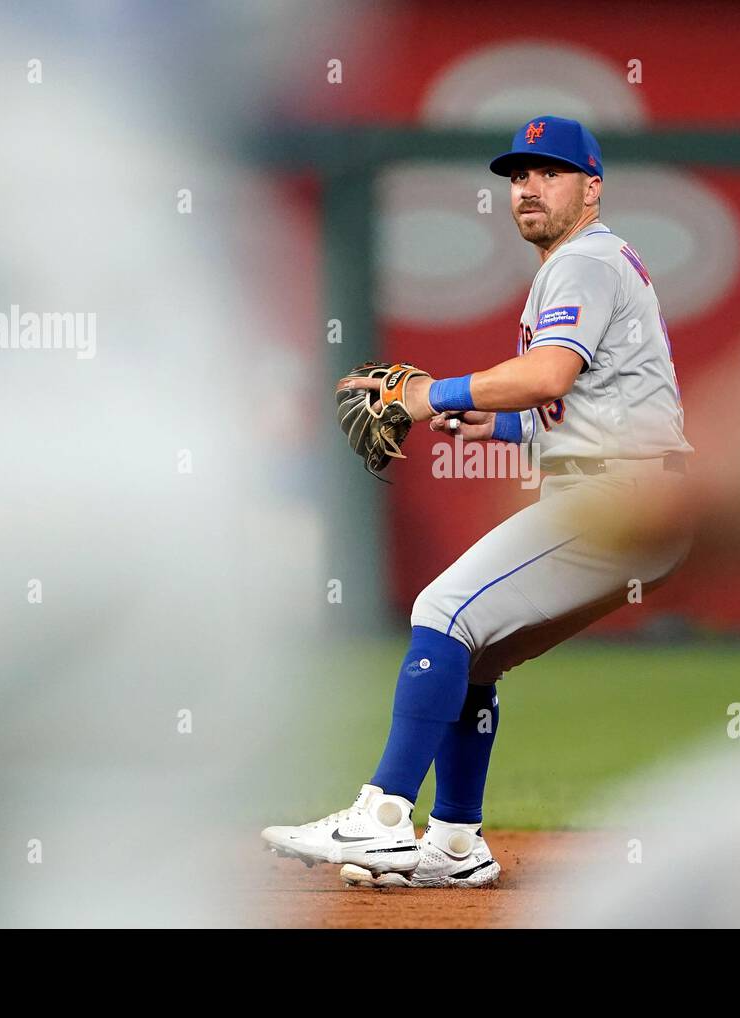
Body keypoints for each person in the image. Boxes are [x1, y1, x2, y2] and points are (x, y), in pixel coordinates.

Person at [261, 115, 693, 888]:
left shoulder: (584, 262)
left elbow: (549, 377)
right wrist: (487, 417)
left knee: (442, 609)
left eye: (549, 172)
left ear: (590, 187)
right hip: (631, 490)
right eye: (518, 175)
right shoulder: (589, 263)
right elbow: (565, 406)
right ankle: (457, 843)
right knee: (478, 652)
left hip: (622, 494)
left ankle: (385, 813)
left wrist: (429, 396)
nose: (528, 187)